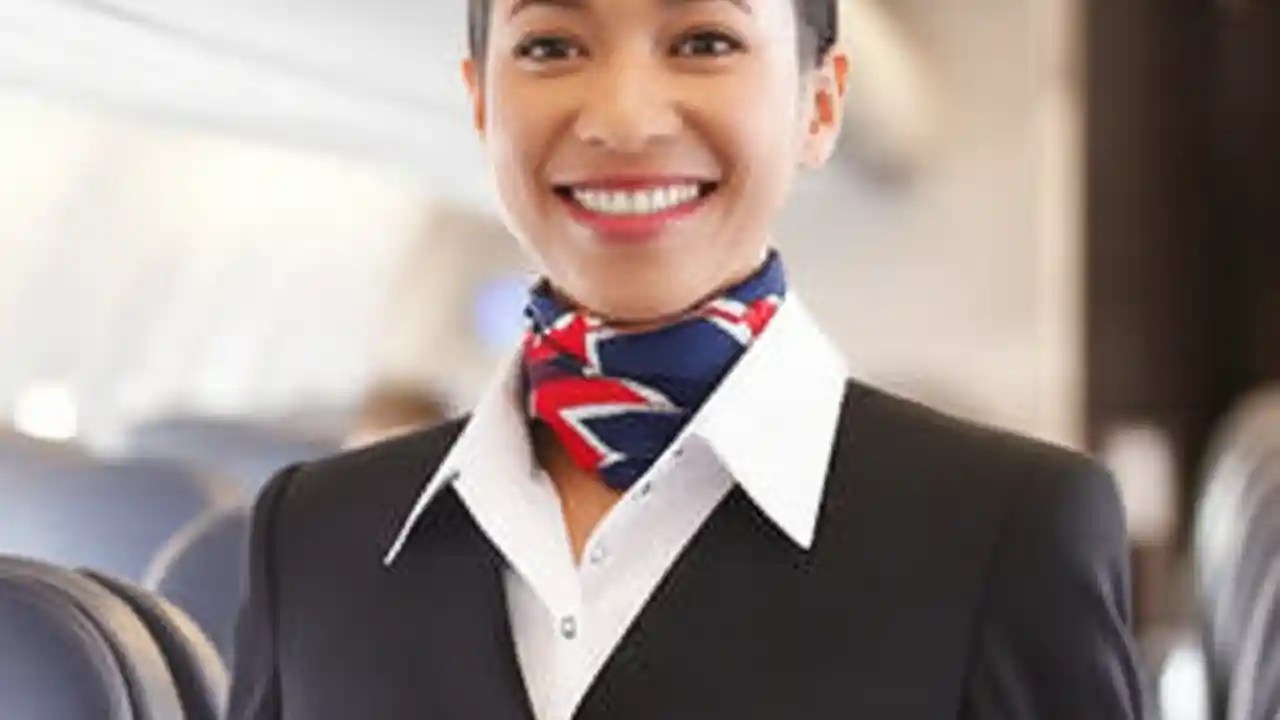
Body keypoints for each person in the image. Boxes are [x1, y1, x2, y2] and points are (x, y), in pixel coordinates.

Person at [227, 0, 1147, 718]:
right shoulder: (314, 542)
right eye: (551, 46)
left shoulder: (1004, 535)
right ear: (479, 102)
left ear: (819, 105)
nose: (623, 119)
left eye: (705, 41)